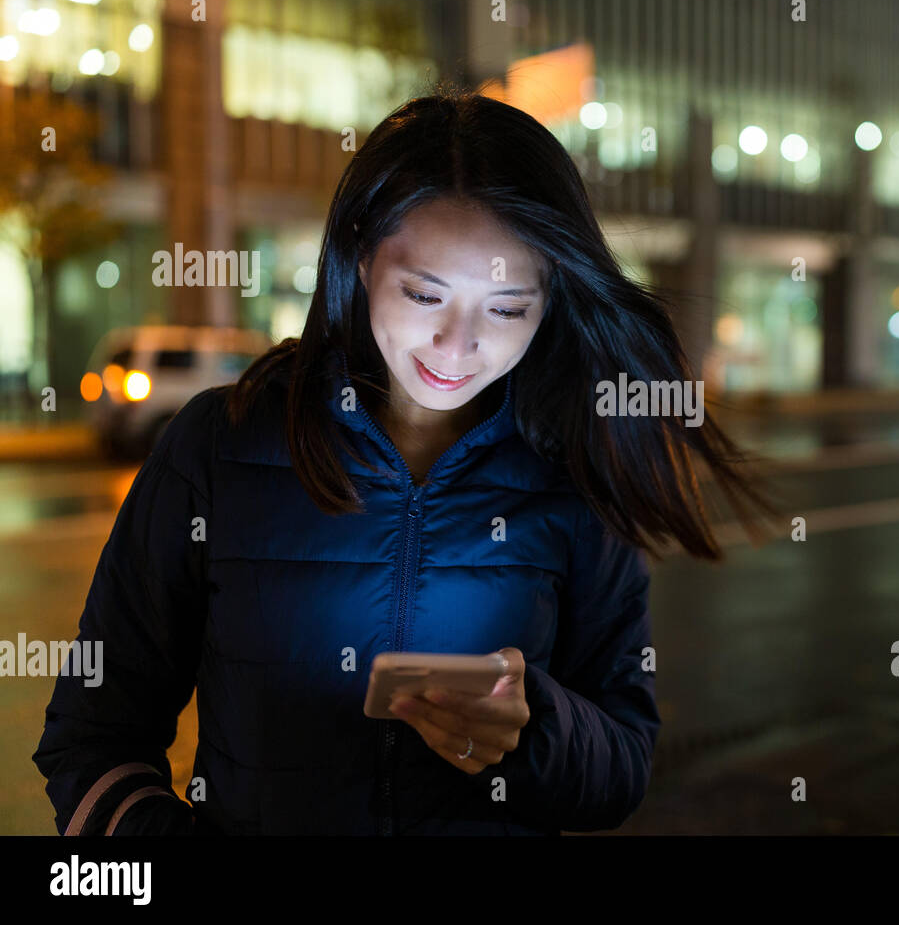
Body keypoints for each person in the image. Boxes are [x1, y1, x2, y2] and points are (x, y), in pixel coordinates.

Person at [32, 88, 769, 835]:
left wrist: (533, 726)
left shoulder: (577, 469)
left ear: (550, 301)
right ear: (358, 257)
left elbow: (623, 767)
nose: (458, 345)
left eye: (507, 307)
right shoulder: (219, 446)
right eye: (424, 293)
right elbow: (93, 738)